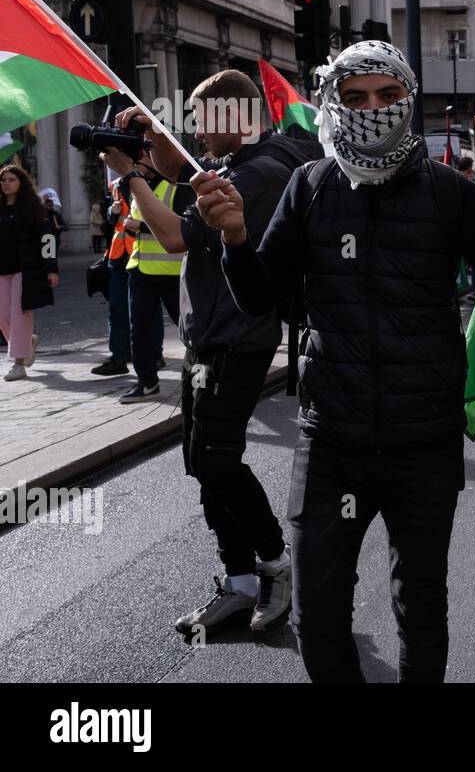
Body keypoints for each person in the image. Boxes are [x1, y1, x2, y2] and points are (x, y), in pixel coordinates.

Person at [192, 40, 475, 683]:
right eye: (354, 99)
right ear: (333, 105)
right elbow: (260, 295)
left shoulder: (449, 192)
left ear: (408, 101)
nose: (371, 110)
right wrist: (236, 241)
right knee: (317, 618)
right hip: (331, 441)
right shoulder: (310, 186)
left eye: (387, 96)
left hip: (425, 442)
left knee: (420, 606)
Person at [108, 69, 322, 638]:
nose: (196, 133)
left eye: (203, 122)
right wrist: (150, 140)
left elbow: (175, 236)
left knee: (215, 461)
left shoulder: (264, 172)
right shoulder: (239, 162)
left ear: (236, 119)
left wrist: (131, 176)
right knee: (202, 463)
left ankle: (275, 566)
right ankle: (239, 582)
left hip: (239, 338)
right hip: (207, 335)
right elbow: (186, 169)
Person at [109, 145, 192, 403]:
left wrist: (141, 226)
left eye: (144, 154)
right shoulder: (134, 184)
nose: (140, 158)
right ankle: (147, 382)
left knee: (189, 329)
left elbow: (182, 225)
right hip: (140, 269)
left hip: (171, 270)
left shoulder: (178, 185)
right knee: (139, 331)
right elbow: (126, 221)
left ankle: (202, 375)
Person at [90, 169, 163, 377]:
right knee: (116, 309)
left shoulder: (148, 181)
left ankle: (156, 354)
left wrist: (139, 226)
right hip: (118, 255)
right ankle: (118, 358)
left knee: (149, 309)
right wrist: (111, 214)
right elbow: (111, 224)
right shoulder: (116, 185)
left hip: (141, 253)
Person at [0, 165, 58, 381]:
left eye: (11, 179)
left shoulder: (33, 208)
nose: (6, 183)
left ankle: (18, 364)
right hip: (2, 270)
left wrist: (51, 268)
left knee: (18, 315)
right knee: (2, 316)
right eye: (3, 180)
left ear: (21, 183)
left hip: (25, 270)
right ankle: (28, 341)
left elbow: (48, 240)